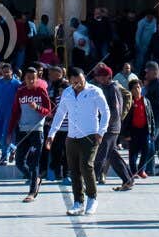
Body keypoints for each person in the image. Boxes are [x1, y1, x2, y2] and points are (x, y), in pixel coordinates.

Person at [47, 66, 111, 215]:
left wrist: (101, 131)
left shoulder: (94, 92)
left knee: (86, 166)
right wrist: (52, 133)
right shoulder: (67, 93)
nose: (78, 84)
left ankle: (92, 198)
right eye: (74, 82)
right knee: (74, 170)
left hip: (90, 135)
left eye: (81, 81)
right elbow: (60, 113)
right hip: (72, 136)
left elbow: (105, 112)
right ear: (69, 81)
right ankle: (78, 202)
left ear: (84, 78)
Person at [92, 63, 135, 191]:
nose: (97, 78)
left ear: (107, 77)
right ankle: (128, 179)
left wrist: (105, 126)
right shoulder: (105, 87)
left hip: (110, 128)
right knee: (112, 155)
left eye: (100, 76)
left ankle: (90, 180)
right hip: (109, 127)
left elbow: (115, 110)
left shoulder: (113, 88)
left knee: (101, 154)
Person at [14, 65, 52, 202]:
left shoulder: (41, 90)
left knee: (33, 163)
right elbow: (15, 111)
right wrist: (10, 129)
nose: (31, 81)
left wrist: (37, 107)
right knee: (19, 162)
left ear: (37, 79)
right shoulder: (20, 91)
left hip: (37, 131)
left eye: (33, 79)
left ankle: (31, 192)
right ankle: (34, 179)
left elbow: (49, 111)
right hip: (23, 131)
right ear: (24, 78)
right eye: (28, 78)